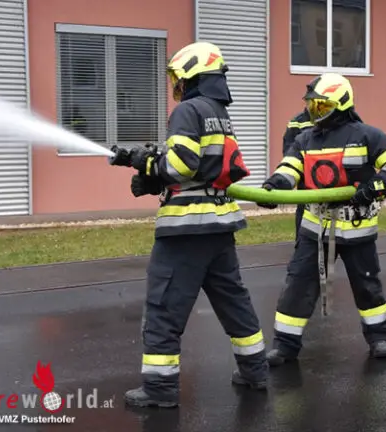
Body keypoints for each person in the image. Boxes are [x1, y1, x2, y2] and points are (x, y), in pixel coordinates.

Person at [120, 41, 269, 407]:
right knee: (233, 300)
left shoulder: (187, 110)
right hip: (219, 225)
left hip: (185, 230)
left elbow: (183, 164)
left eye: (179, 77)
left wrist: (147, 165)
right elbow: (207, 166)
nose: (177, 85)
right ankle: (255, 372)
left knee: (164, 305)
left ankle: (159, 390)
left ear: (194, 75)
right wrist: (154, 171)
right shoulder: (218, 112)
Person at [258, 72, 386, 365]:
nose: (315, 112)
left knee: (367, 286)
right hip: (315, 231)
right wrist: (274, 187)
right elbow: (289, 168)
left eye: (321, 106)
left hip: (357, 229)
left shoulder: (367, 135)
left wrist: (376, 186)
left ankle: (379, 339)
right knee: (297, 287)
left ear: (340, 104)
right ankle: (285, 346)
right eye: (313, 106)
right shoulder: (305, 139)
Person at [282, 107, 313, 239]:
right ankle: (301, 244)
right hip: (306, 181)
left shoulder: (341, 120)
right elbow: (289, 152)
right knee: (304, 211)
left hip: (333, 181)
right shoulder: (297, 122)